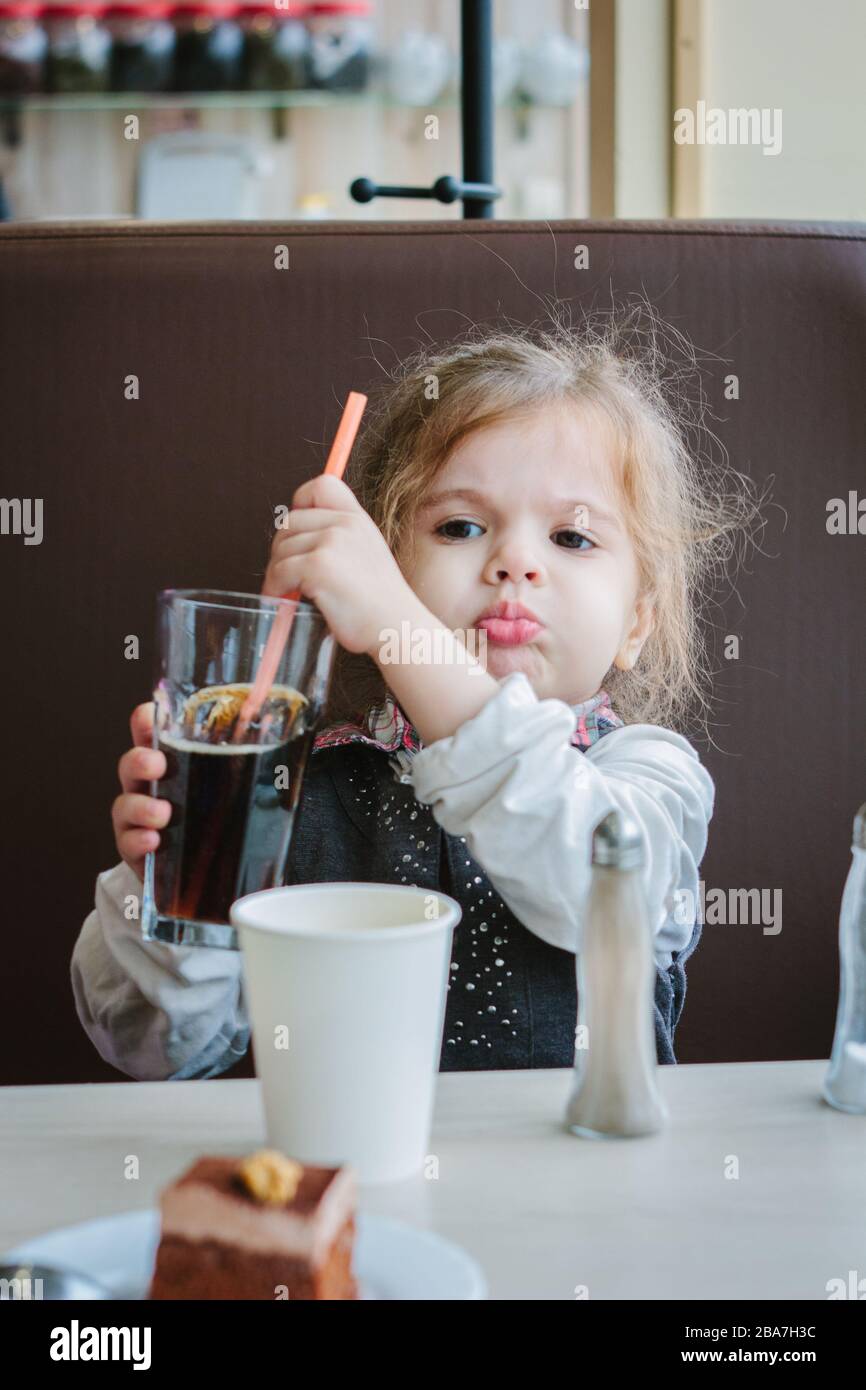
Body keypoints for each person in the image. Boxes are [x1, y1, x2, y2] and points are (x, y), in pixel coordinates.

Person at [71, 308, 764, 1080]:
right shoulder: (289, 789)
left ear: (636, 624)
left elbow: (612, 901)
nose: (515, 563)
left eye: (571, 538)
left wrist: (404, 627)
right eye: (461, 527)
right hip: (348, 1189)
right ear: (381, 570)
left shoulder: (647, 779)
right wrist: (176, 882)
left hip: (593, 1191)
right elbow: (161, 1052)